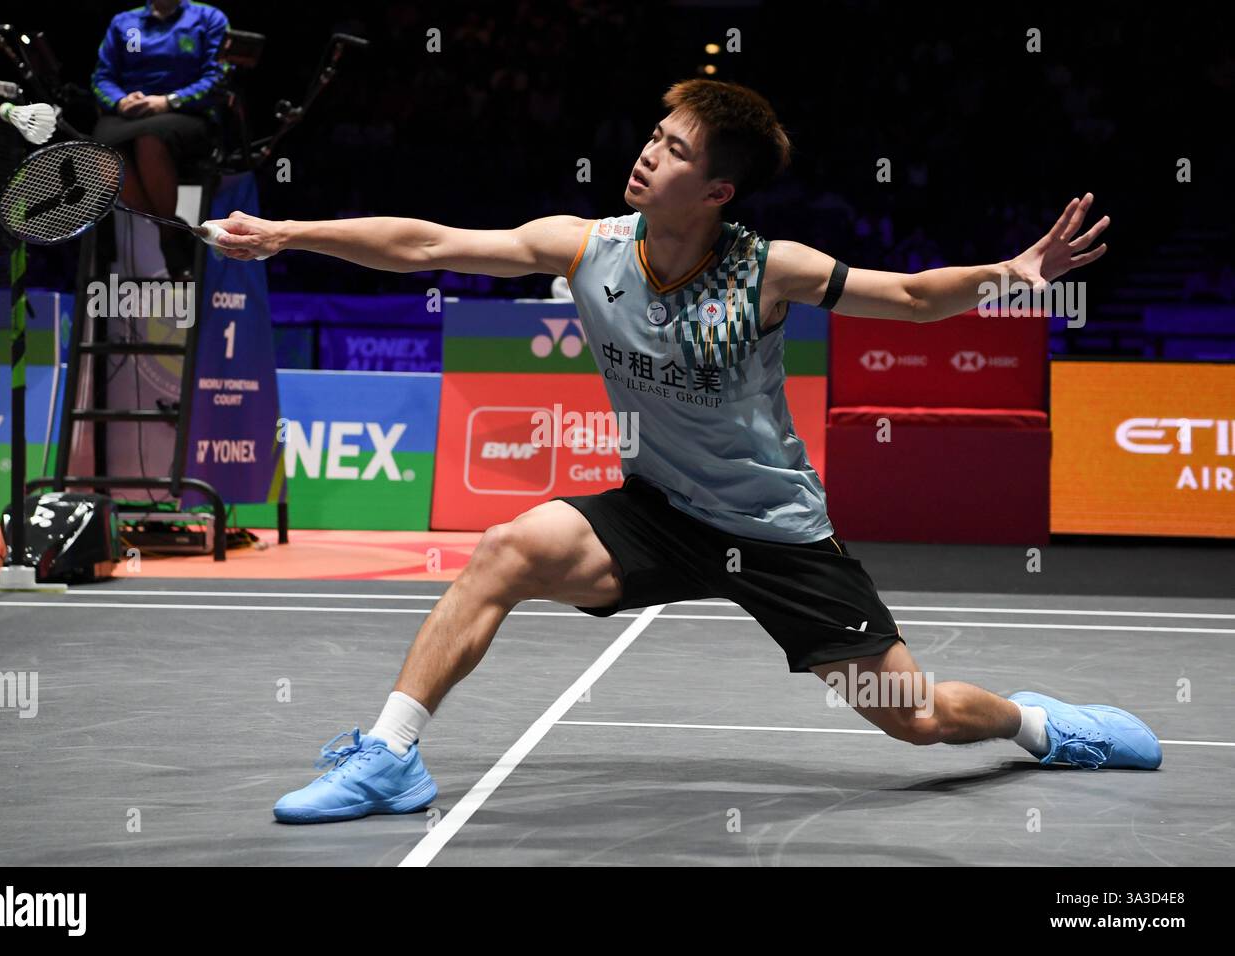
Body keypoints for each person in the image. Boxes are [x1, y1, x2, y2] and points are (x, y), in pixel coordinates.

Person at [206, 78, 1160, 826]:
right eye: (653, 138)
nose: (646, 157)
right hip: (658, 509)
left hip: (775, 531)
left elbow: (910, 298)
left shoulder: (767, 270)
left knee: (915, 719)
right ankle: (391, 756)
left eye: (675, 151)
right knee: (504, 548)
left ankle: (1041, 726)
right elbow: (428, 245)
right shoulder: (586, 247)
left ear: (716, 190)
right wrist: (289, 232)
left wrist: (1013, 273)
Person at [90, 0, 229, 278]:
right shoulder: (123, 22)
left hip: (187, 113)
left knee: (149, 140)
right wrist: (119, 101)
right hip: (129, 113)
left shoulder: (209, 18)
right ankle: (172, 233)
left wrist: (168, 101)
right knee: (100, 151)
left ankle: (170, 240)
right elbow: (101, 77)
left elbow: (219, 75)